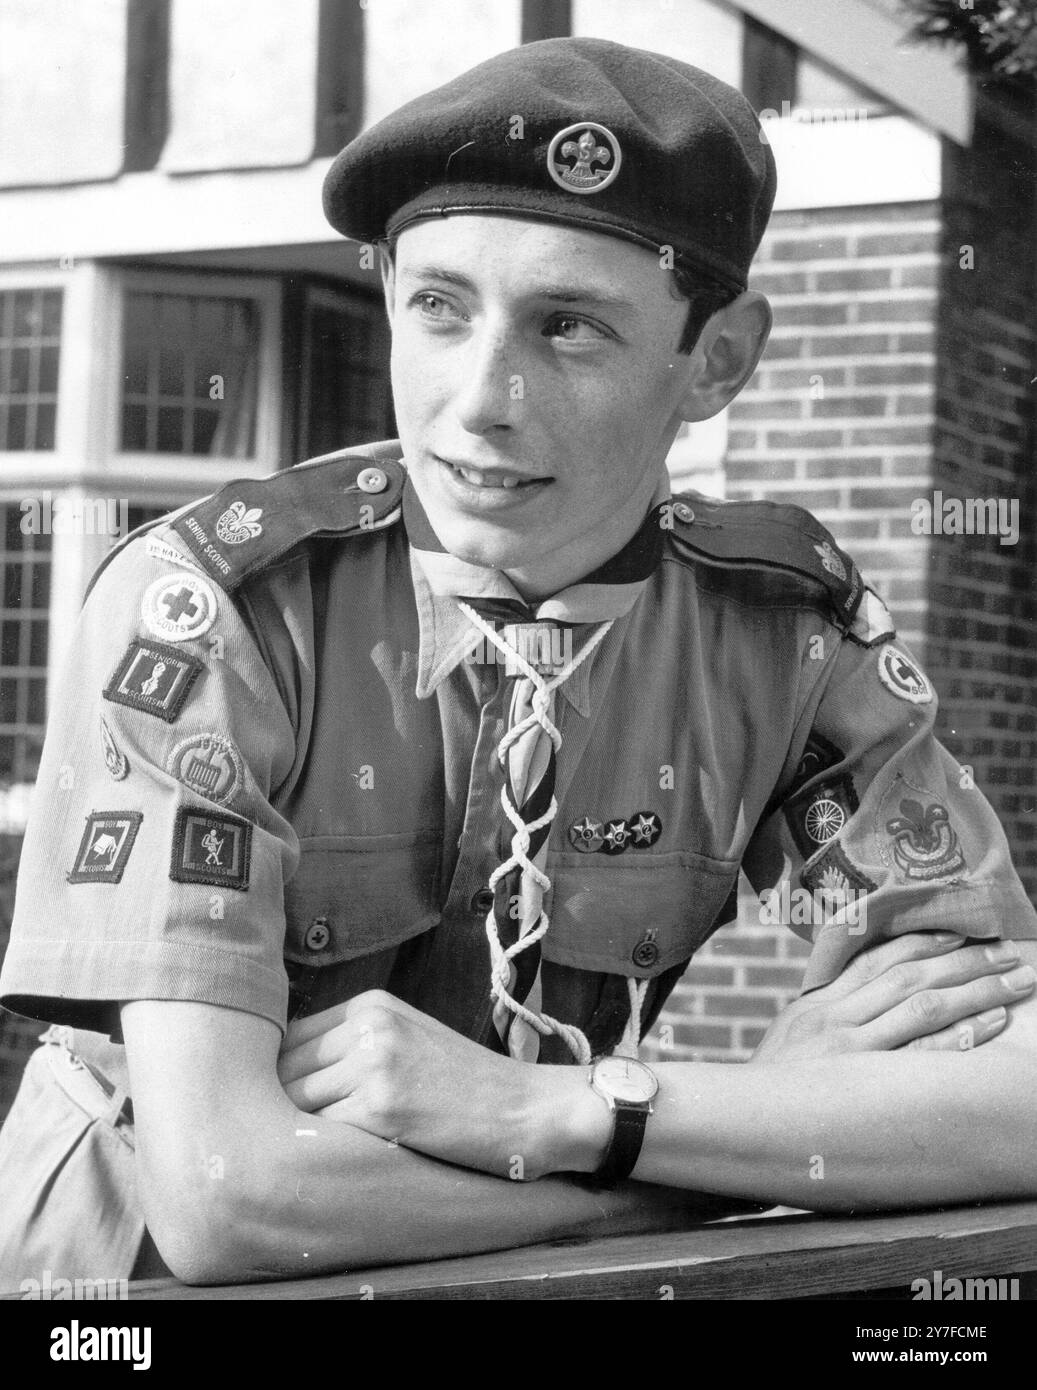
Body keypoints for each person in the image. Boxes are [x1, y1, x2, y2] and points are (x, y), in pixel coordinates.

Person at [1, 37, 1035, 1289]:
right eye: (437, 304)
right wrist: (719, 1139)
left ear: (714, 359)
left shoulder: (784, 631)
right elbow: (232, 1197)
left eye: (567, 327)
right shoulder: (213, 609)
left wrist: (569, 1109)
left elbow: (1012, 1092)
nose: (478, 398)